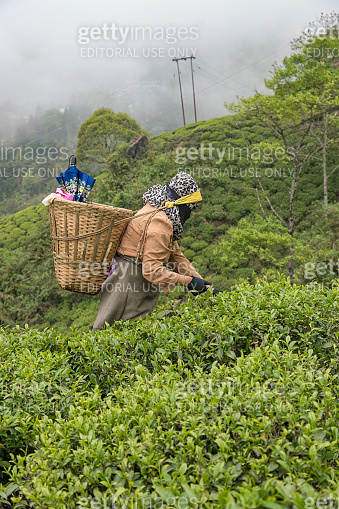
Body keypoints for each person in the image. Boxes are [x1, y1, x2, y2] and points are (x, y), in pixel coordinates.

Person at [92, 172, 218, 332]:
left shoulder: (156, 209)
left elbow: (176, 257)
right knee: (123, 333)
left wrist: (204, 285)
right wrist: (188, 282)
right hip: (131, 284)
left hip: (125, 277)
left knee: (112, 329)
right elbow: (152, 270)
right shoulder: (161, 224)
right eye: (189, 210)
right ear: (182, 205)